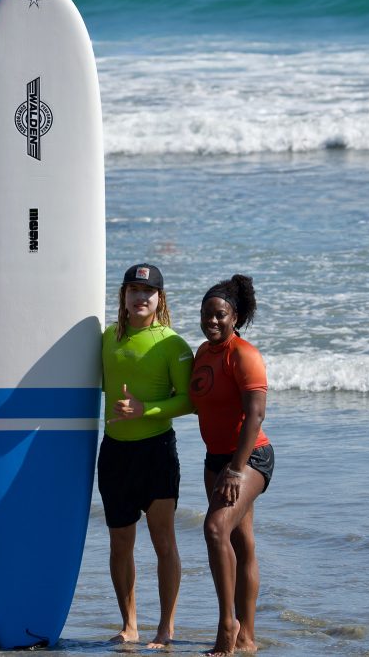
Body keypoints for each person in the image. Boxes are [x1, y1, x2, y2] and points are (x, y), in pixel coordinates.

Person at [98, 263, 195, 647]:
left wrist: (145, 410)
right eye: (134, 290)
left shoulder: (172, 344)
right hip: (114, 454)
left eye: (148, 292)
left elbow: (190, 401)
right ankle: (130, 625)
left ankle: (165, 627)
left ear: (160, 298)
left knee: (163, 541)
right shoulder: (106, 338)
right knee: (119, 543)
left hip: (156, 452)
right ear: (123, 295)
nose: (141, 297)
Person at [188, 275, 274, 656]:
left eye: (220, 315)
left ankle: (227, 627)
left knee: (214, 528)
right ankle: (248, 639)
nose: (213, 321)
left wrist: (237, 470)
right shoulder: (203, 354)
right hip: (215, 458)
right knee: (241, 540)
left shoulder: (243, 354)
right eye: (207, 315)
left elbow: (255, 414)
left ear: (234, 316)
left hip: (250, 457)